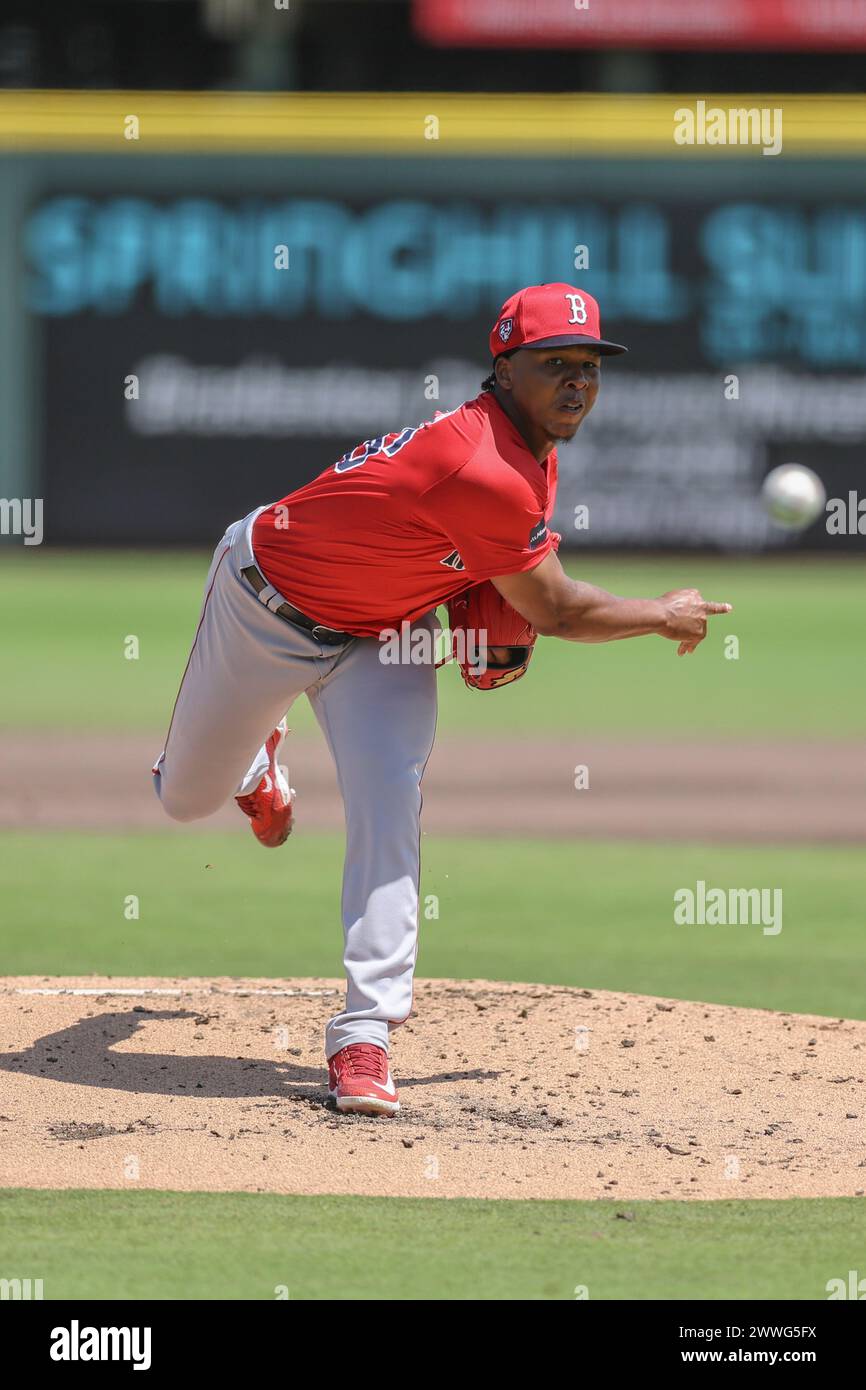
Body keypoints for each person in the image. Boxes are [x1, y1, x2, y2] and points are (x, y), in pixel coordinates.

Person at [152, 282, 731, 1116]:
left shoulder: (532, 444)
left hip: (384, 633)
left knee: (390, 796)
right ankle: (255, 755)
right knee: (183, 799)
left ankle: (364, 1034)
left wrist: (476, 621)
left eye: (589, 367)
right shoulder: (482, 464)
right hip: (264, 605)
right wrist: (662, 614)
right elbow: (559, 609)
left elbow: (488, 579)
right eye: (554, 364)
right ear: (504, 368)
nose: (577, 382)